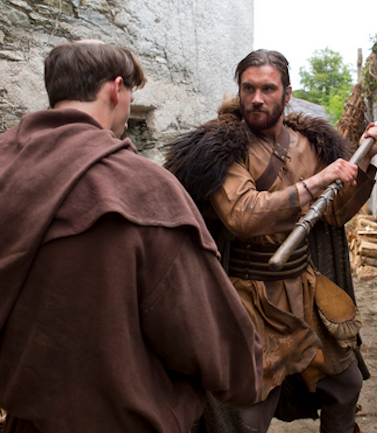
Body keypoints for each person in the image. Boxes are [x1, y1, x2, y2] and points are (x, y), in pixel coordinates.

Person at [0, 40, 263, 433]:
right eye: (131, 96)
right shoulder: (144, 189)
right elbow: (211, 341)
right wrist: (245, 373)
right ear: (116, 89)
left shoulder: (6, 168)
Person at [165, 49, 377, 433]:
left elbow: (333, 213)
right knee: (246, 418)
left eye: (268, 89)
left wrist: (365, 160)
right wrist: (317, 181)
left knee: (346, 385)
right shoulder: (223, 149)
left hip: (304, 289)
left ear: (287, 94)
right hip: (249, 298)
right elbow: (242, 216)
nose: (256, 98)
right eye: (248, 88)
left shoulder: (309, 144)